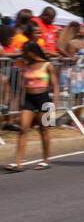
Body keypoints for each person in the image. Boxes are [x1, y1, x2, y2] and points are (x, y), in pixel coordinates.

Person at [5, 42, 60, 171]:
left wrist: (55, 104)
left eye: (26, 52)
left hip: (45, 99)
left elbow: (56, 85)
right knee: (23, 129)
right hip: (29, 99)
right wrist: (18, 100)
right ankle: (18, 163)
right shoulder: (25, 65)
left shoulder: (48, 65)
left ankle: (46, 160)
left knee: (44, 130)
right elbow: (21, 83)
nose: (24, 54)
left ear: (32, 52)